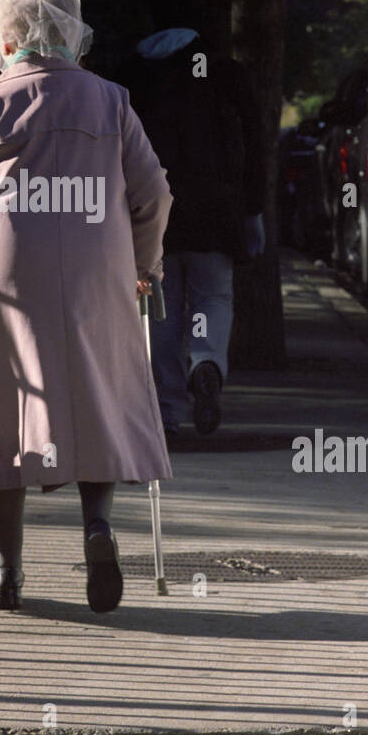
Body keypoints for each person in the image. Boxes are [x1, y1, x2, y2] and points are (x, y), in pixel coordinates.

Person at [0, 0, 174, 613]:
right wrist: (145, 265)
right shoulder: (113, 102)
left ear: (5, 39)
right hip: (98, 267)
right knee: (98, 394)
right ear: (72, 30)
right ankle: (97, 526)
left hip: (7, 278)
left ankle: (6, 572)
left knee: (3, 412)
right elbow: (154, 194)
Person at [116, 27, 267, 439]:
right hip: (216, 213)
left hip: (152, 214)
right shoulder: (223, 73)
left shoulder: (132, 78)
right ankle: (206, 361)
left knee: (161, 310)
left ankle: (167, 408)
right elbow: (254, 144)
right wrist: (253, 209)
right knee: (212, 298)